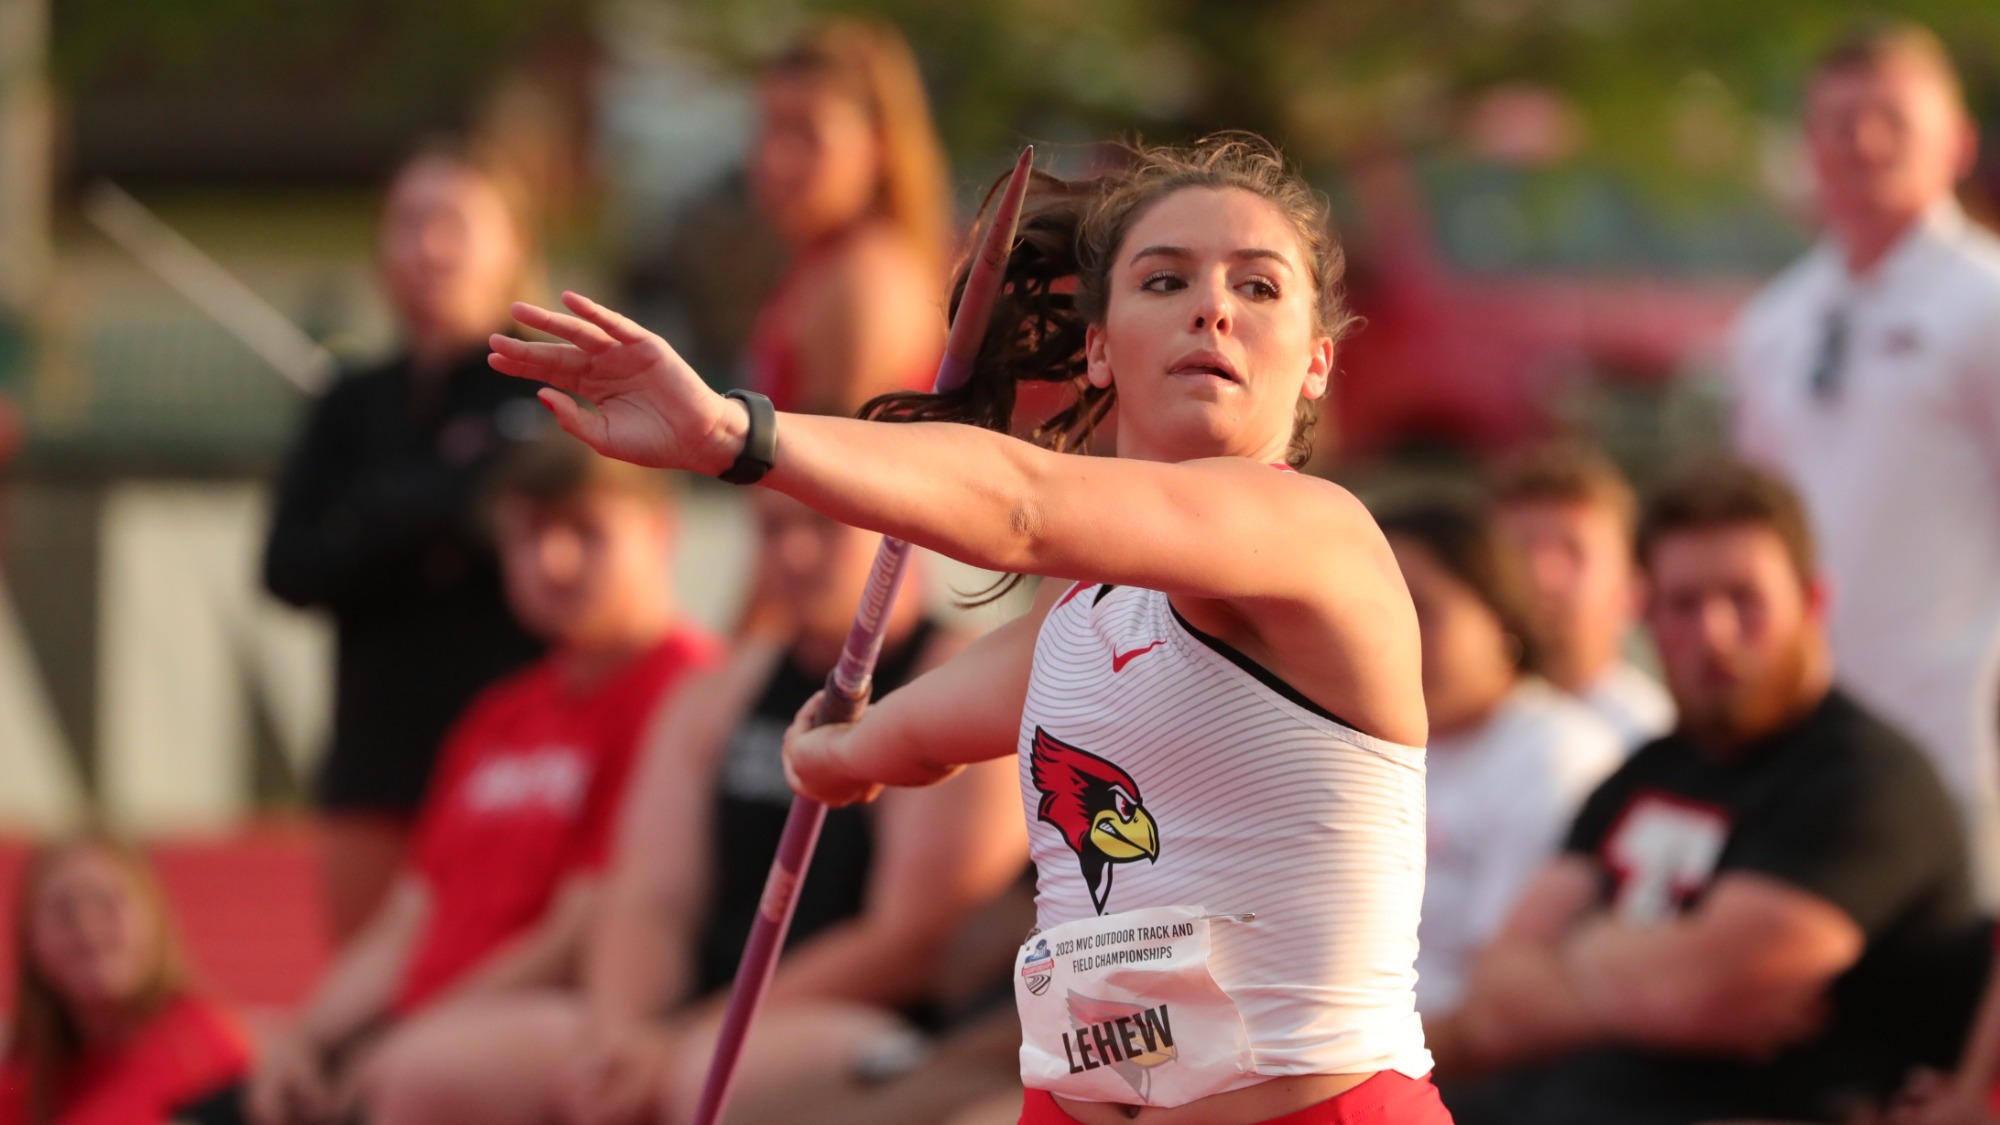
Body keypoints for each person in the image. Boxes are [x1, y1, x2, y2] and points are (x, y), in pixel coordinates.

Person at [491, 132, 1453, 1124]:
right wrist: (839, 752)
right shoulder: (1080, 617)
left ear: (1316, 364)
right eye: (1163, 282)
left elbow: (1023, 506)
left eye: (1257, 288)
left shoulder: (1315, 537)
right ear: (1096, 344)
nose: (1212, 305)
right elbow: (908, 735)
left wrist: (734, 435)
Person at [355, 487, 1028, 1125]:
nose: (792, 552)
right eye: (772, 529)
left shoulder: (951, 686)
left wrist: (693, 1033)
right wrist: (623, 1032)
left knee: (704, 1076)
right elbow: (650, 899)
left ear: (899, 538)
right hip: (694, 1016)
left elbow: (911, 941)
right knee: (428, 1069)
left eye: (821, 527)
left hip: (874, 1022)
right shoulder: (718, 692)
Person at [1436, 461, 1977, 1125]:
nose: (1714, 633)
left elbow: (1710, 988)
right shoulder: (1642, 773)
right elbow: (1496, 999)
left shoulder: (1866, 781)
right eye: (1684, 605)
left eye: (1744, 599)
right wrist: (1650, 975)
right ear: (1647, 614)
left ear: (1813, 603)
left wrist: (1584, 959)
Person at [246, 435, 718, 1125]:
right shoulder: (499, 715)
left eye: (585, 532)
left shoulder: (684, 697)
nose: (551, 562)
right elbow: (408, 920)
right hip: (426, 1028)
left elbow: (580, 932)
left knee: (418, 1082)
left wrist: (411, 1036)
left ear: (661, 535)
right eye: (528, 538)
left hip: (554, 1028)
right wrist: (304, 1039)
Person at [1729, 20, 2000, 901]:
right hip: (1814, 740)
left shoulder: (1985, 304)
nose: (1864, 142)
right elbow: (1756, 530)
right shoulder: (1774, 322)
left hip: (1961, 728)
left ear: (1956, 140)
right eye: (1840, 122)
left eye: (1893, 118)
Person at [263, 142, 549, 942]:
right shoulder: (351, 403)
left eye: (452, 222)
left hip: (514, 762)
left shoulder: (545, 389)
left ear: (512, 244)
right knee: (358, 1003)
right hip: (375, 758)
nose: (427, 247)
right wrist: (435, 508)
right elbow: (288, 565)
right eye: (407, 223)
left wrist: (370, 516)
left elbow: (516, 527)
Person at [1378, 499, 1620, 1018]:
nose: (1391, 638)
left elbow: (1495, 993)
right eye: (1374, 613)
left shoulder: (1555, 756)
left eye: (1422, 611)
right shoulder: (1359, 746)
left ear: (1500, 617)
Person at [742, 20, 950, 417]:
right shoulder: (827, 260)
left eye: (807, 134)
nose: (776, 158)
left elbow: (828, 469)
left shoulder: (864, 278)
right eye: (769, 128)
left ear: (879, 144)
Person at [0, 837, 251, 1125]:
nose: (87, 929)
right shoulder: (29, 1070)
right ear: (30, 939)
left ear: (154, 918)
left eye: (108, 904)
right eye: (63, 911)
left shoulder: (200, 1044)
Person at [1490, 444, 1674, 753]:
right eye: (1519, 550)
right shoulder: (1441, 729)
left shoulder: (1650, 742)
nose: (1541, 576)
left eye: (1572, 552)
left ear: (1633, 592)